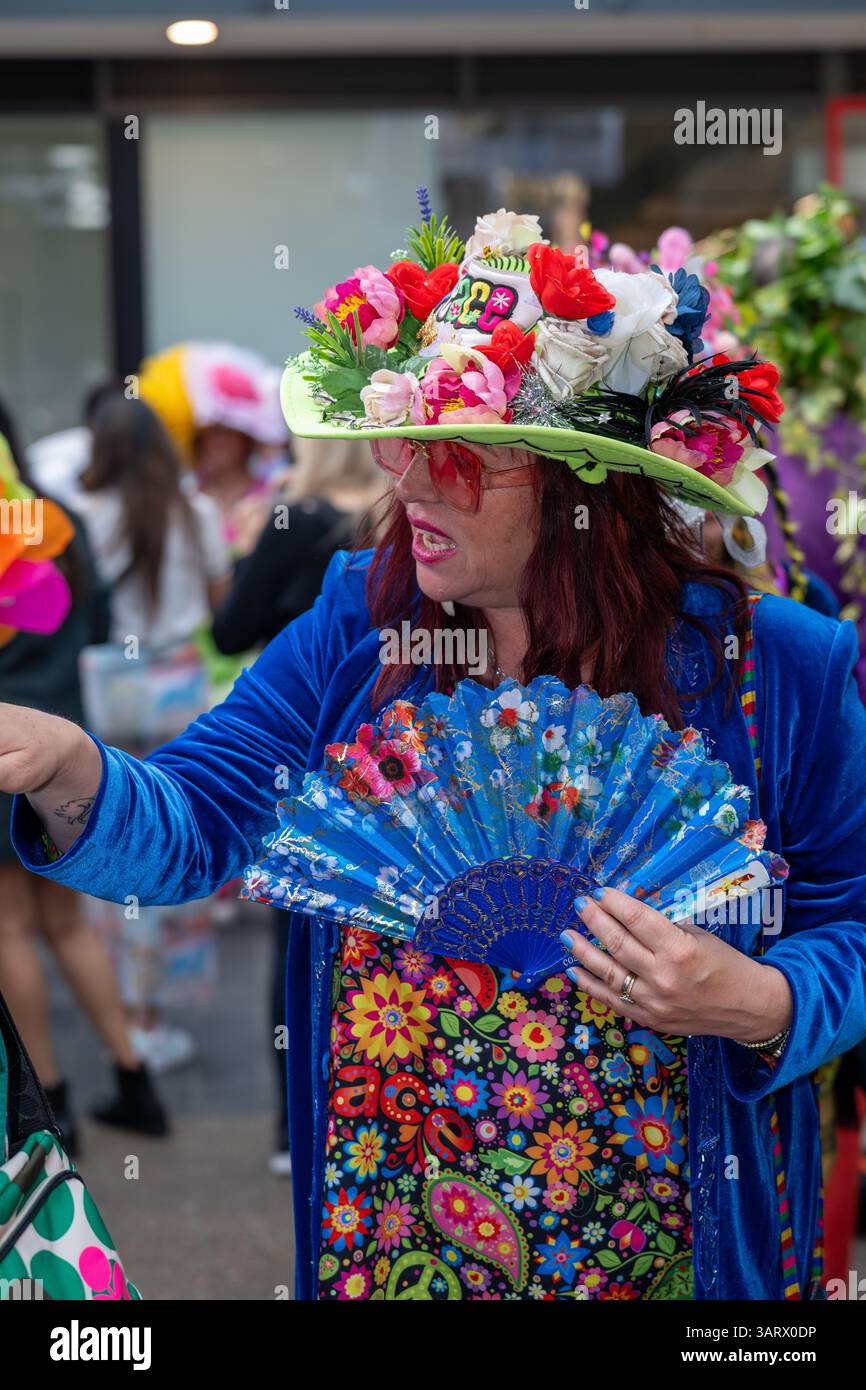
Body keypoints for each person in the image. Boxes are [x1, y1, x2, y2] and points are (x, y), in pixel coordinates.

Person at [3, 203, 866, 1300]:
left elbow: (853, 917)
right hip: (395, 1235)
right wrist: (69, 765)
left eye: (454, 454)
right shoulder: (358, 627)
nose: (405, 479)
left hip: (667, 1254)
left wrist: (759, 1001)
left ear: (572, 487)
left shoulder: (774, 669)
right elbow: (198, 822)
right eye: (403, 437)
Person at [211, 436, 385, 1178]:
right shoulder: (396, 523)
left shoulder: (297, 521)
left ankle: (296, 1122)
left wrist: (251, 550)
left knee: (297, 939)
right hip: (390, 767)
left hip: (301, 766)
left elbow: (228, 632)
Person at [0, 398, 167, 1146]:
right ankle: (135, 1077)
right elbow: (96, 623)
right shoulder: (53, 521)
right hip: (68, 742)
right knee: (68, 923)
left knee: (8, 927)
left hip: (6, 741)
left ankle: (52, 1107)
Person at [70, 395, 231, 1074]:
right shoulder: (196, 513)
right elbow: (223, 601)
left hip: (109, 690)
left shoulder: (87, 516)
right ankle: (155, 1013)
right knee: (175, 839)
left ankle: (123, 1015)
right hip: (178, 687)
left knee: (110, 840)